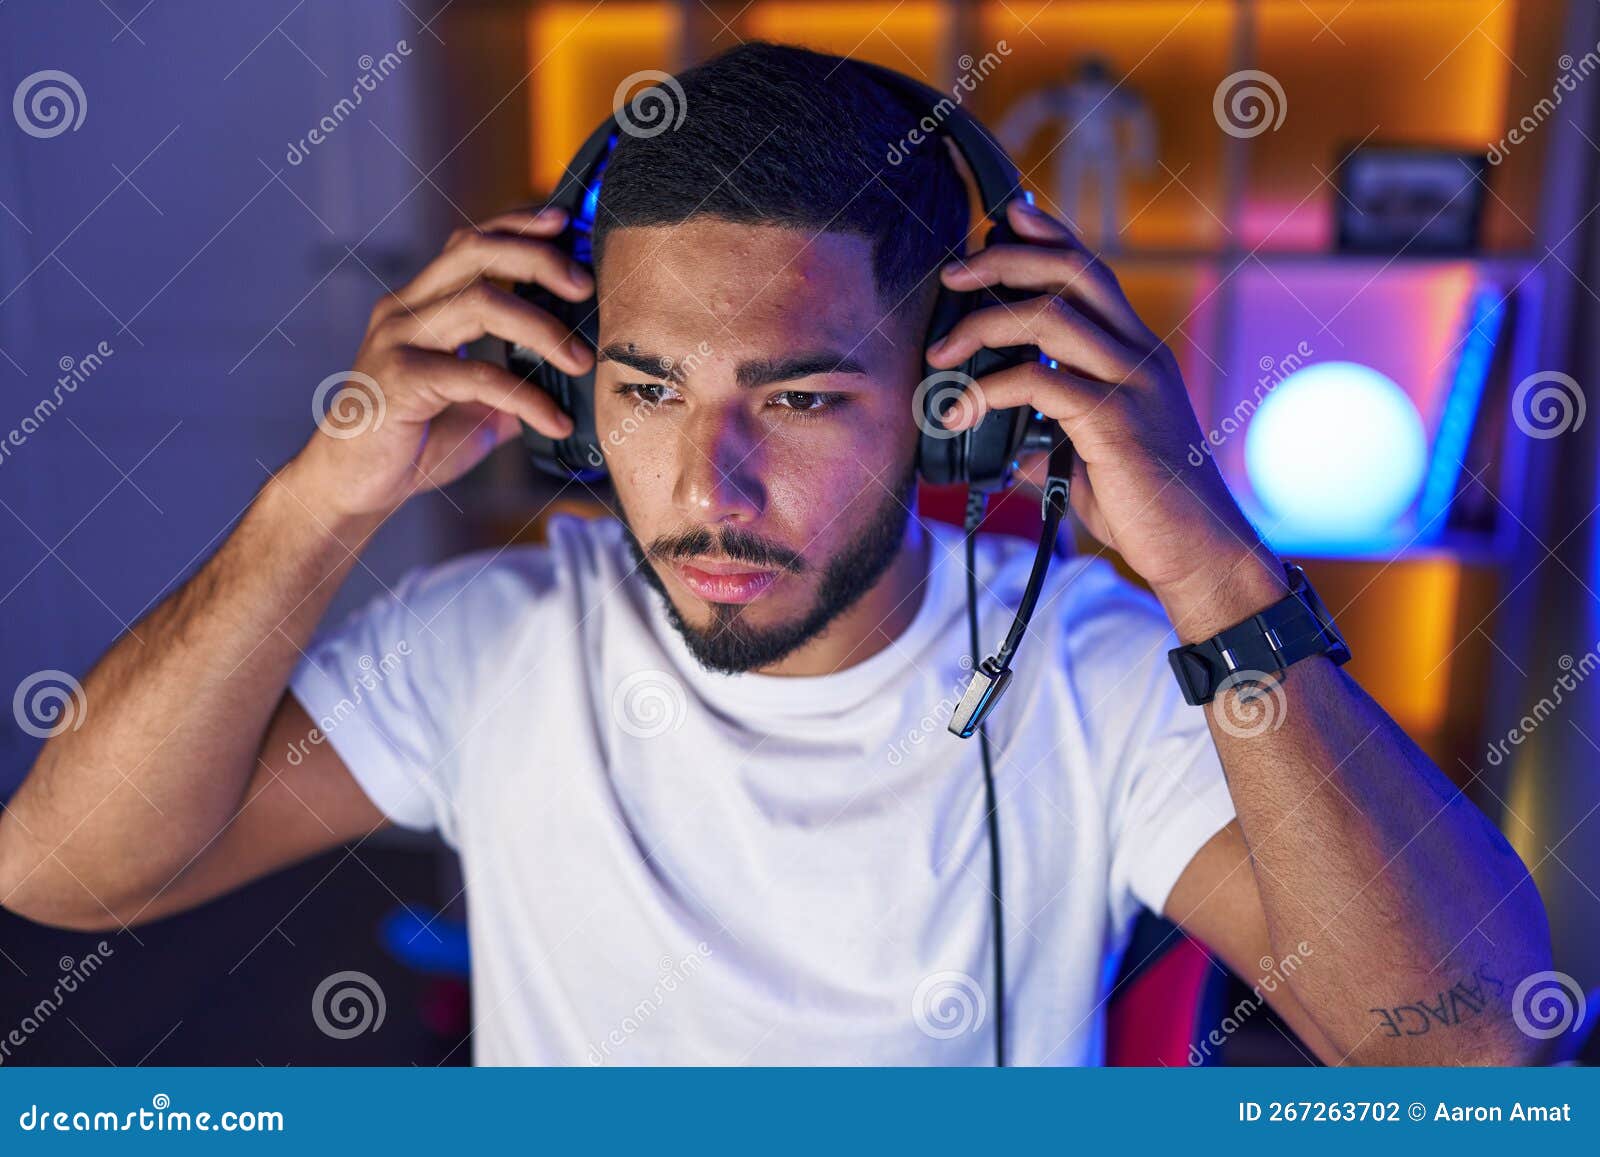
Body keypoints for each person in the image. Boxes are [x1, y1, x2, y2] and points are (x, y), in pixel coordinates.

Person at [0, 42, 1551, 1066]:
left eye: (801, 395)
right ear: (563, 393)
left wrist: (1214, 569)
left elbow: (1470, 1050)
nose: (703, 482)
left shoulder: (1102, 672)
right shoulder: (486, 644)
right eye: (648, 387)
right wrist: (320, 497)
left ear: (957, 404)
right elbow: (61, 878)